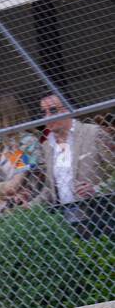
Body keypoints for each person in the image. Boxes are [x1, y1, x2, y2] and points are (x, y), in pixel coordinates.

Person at [30, 93, 115, 232]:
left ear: (68, 109)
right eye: (43, 112)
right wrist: (27, 207)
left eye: (53, 110)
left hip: (102, 216)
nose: (47, 117)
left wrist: (98, 190)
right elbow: (50, 189)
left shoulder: (93, 133)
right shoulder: (47, 146)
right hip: (66, 224)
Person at [0, 92, 41, 215]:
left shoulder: (26, 143)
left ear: (4, 114)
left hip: (25, 211)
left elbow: (13, 186)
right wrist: (2, 197)